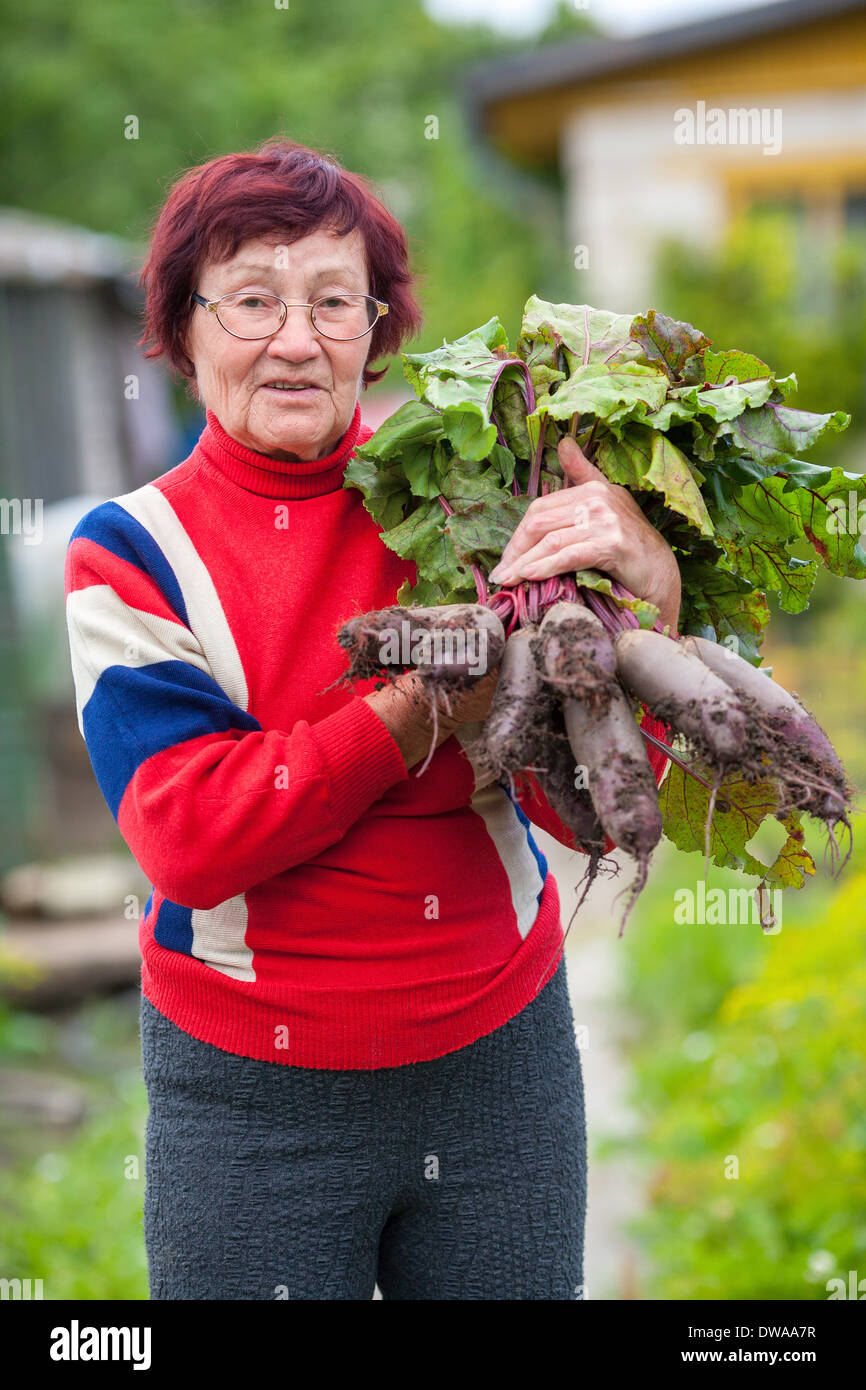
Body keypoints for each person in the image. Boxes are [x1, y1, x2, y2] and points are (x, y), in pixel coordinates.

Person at [64, 137, 680, 1301]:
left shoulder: (475, 503)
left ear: (375, 329)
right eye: (252, 300)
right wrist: (413, 711)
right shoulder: (132, 551)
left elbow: (595, 808)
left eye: (334, 302)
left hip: (498, 1063)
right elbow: (192, 837)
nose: (296, 340)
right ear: (184, 328)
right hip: (250, 1090)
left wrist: (650, 604)